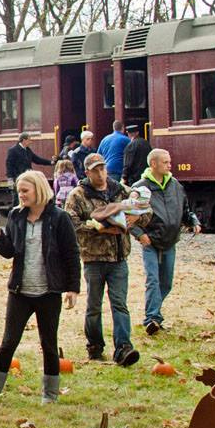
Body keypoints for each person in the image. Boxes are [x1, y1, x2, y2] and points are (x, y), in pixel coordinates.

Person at [0, 170, 80, 405]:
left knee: (49, 343)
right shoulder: (16, 216)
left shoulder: (59, 218)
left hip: (49, 291)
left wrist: (73, 288)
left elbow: (71, 254)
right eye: (19, 191)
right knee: (9, 341)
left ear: (39, 190)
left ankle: (50, 393)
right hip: (20, 292)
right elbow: (9, 252)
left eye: (25, 191)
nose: (21, 195)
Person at [64, 153, 149, 365]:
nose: (100, 173)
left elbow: (146, 211)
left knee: (119, 304)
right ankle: (94, 344)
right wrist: (101, 230)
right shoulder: (78, 195)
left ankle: (123, 347)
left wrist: (135, 218)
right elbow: (71, 225)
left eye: (102, 168)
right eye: (95, 170)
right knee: (94, 305)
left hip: (119, 258)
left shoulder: (121, 191)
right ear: (87, 172)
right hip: (93, 258)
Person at [130, 148, 202, 335]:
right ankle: (152, 318)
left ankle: (153, 314)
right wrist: (139, 234)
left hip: (170, 241)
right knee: (152, 280)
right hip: (150, 242)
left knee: (166, 283)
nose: (170, 165)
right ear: (153, 164)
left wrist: (193, 221)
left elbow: (185, 210)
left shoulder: (176, 186)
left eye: (169, 162)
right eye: (165, 162)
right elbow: (128, 216)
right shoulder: (140, 188)